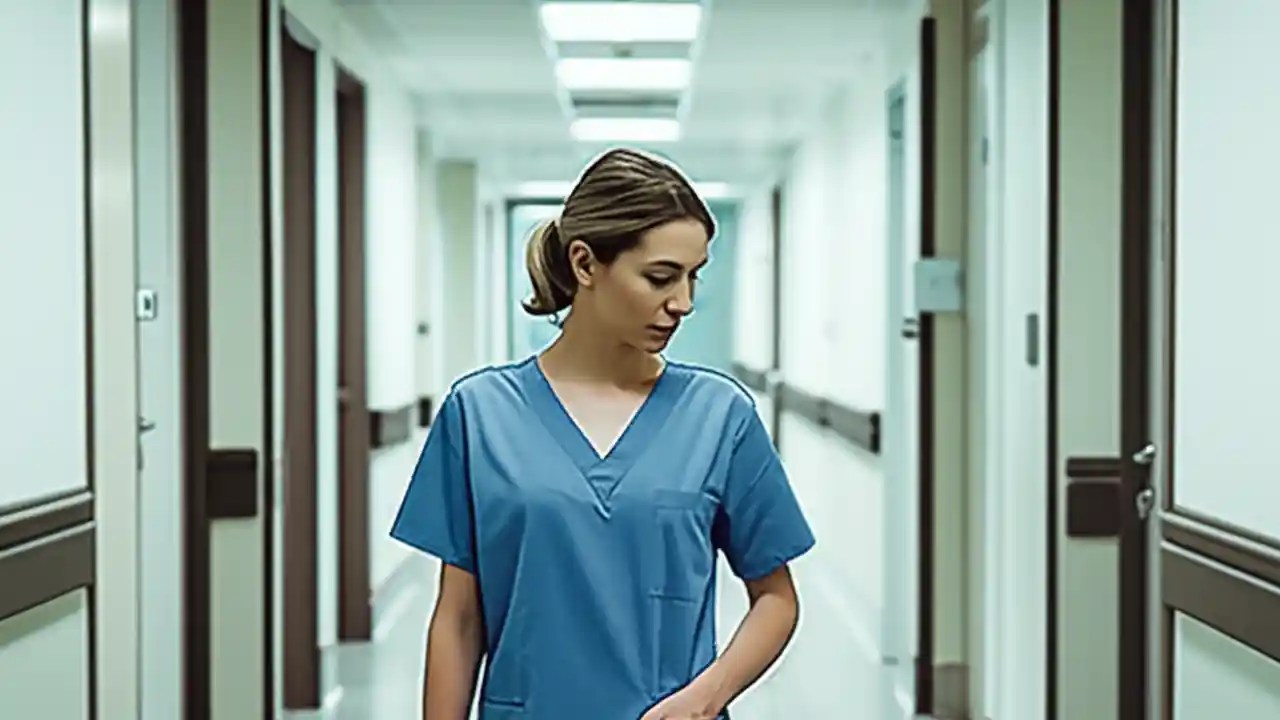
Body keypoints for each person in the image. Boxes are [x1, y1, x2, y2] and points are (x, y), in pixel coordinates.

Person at [390, 147, 815, 719]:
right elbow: (459, 617)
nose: (683, 303)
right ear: (586, 264)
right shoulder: (481, 413)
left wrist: (703, 701)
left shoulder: (720, 417)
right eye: (661, 277)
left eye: (694, 277)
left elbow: (776, 598)